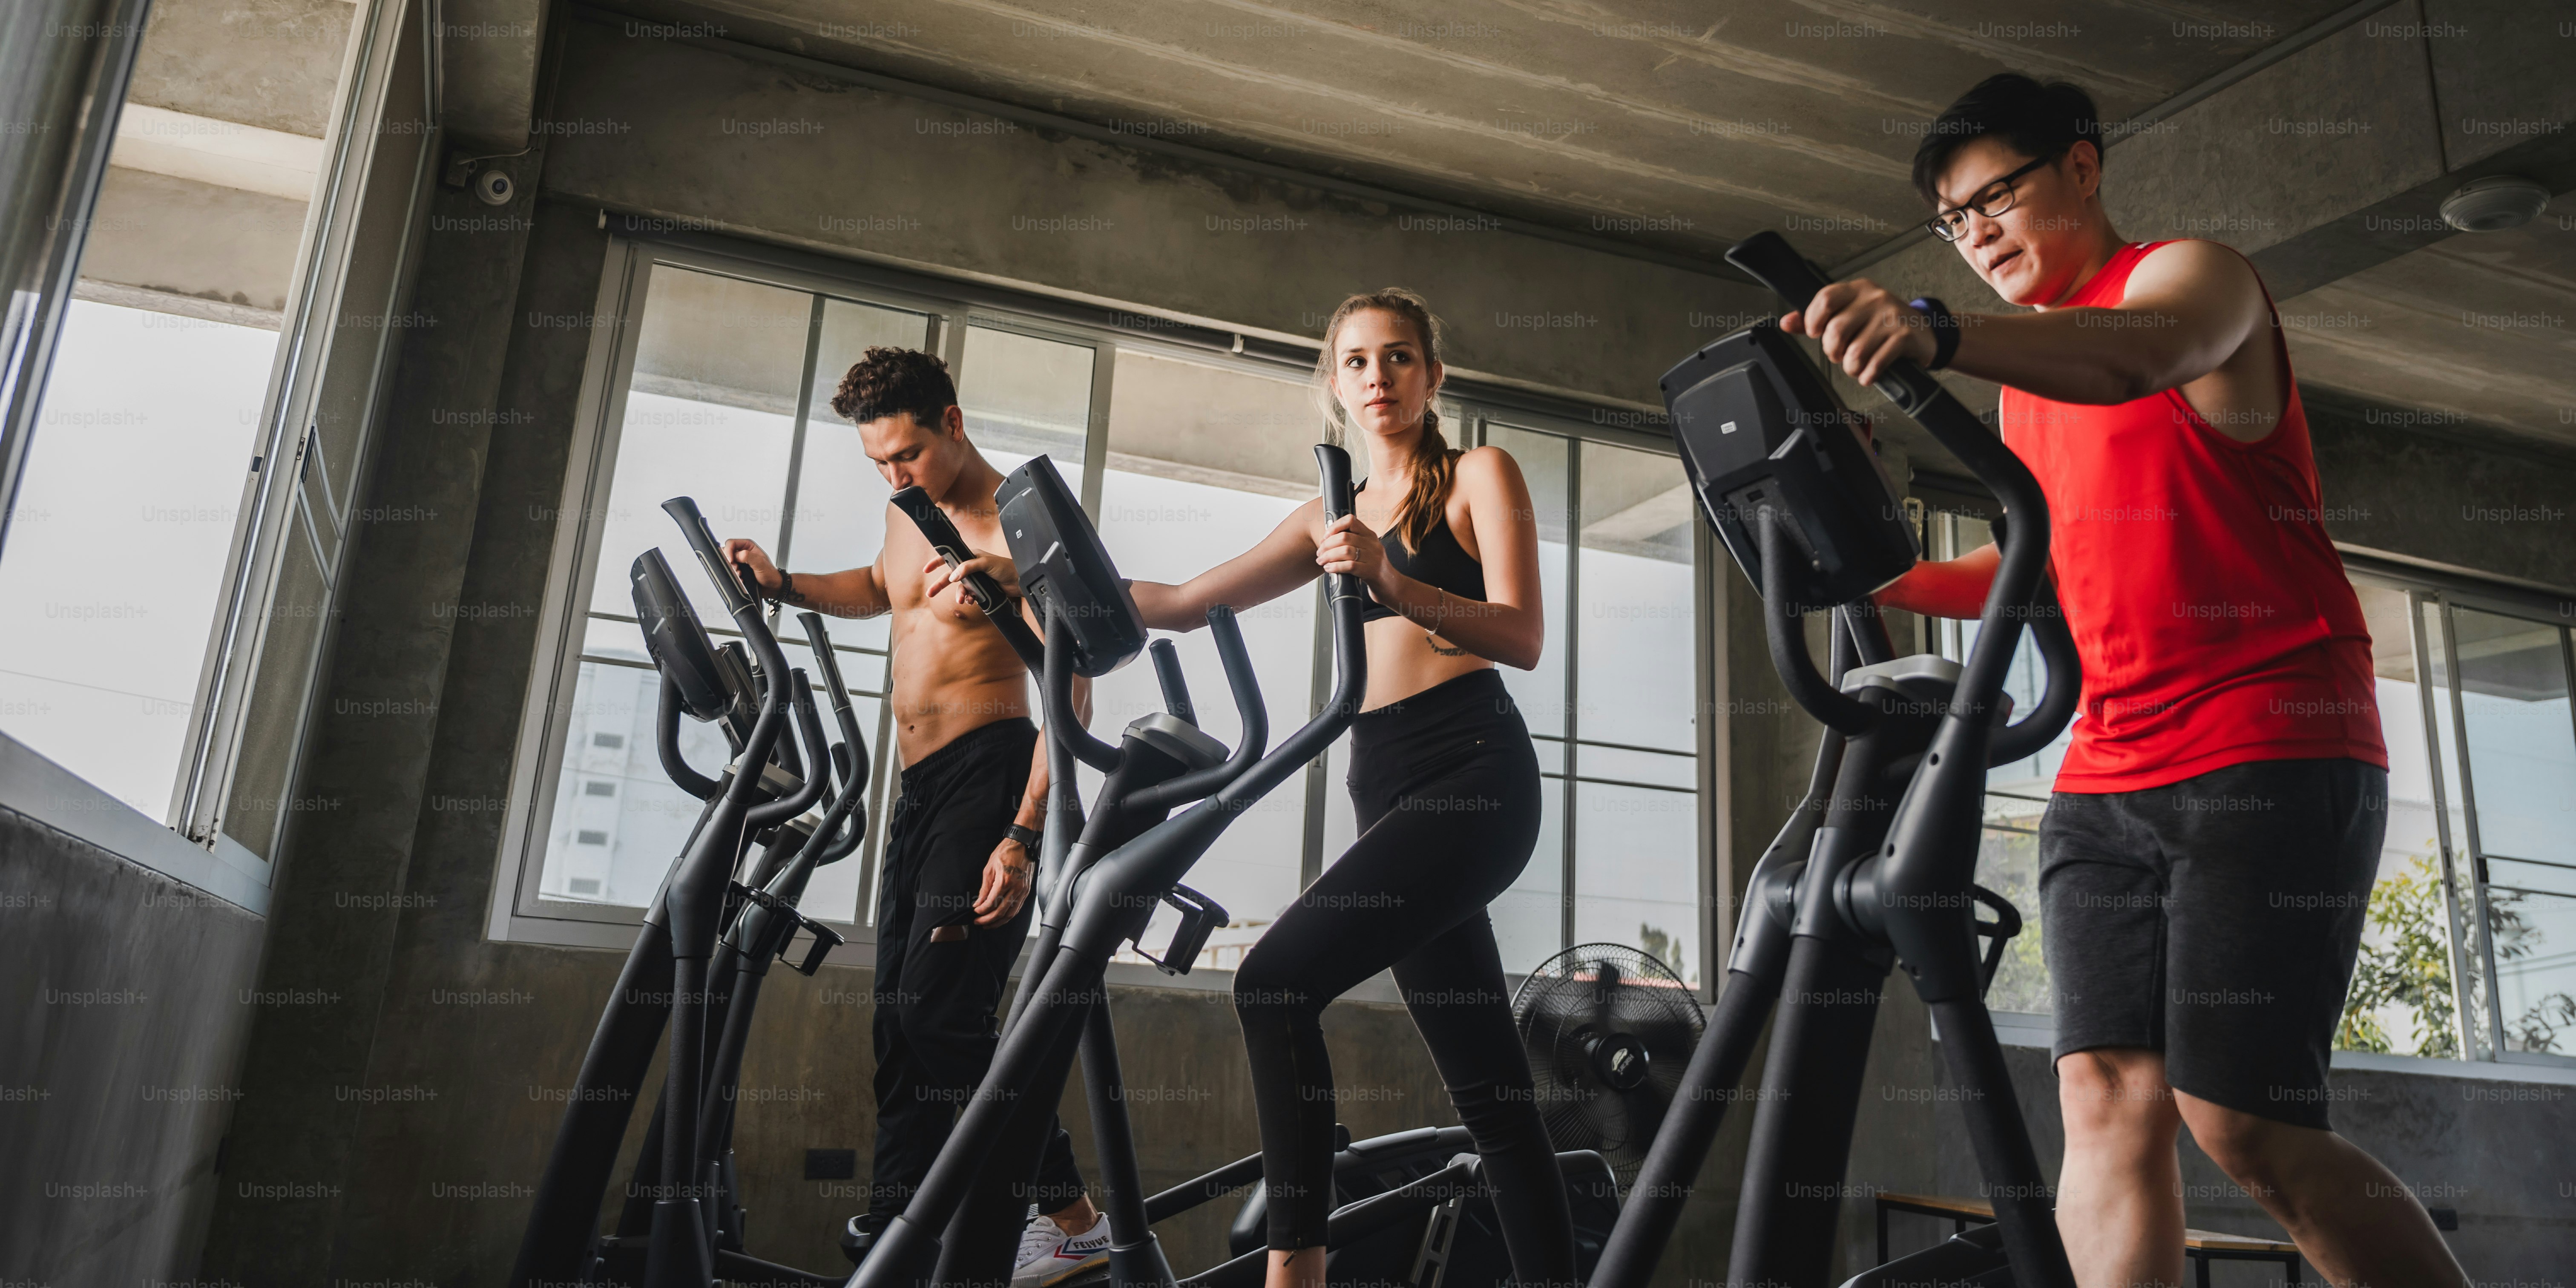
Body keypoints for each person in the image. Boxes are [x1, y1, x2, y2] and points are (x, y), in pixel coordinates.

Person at [1786, 74, 2470, 1288]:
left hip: (2270, 742)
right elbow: (2044, 564)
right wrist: (1882, 569)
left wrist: (1936, 328)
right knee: (2103, 1097)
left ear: (2084, 168)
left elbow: (2137, 358)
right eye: (1954, 220)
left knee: (2244, 1125)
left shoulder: (2192, 281)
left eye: (1996, 196)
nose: (1977, 232)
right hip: (2107, 772)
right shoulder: (2024, 389)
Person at [956, 288, 1571, 1288]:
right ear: (1335, 384)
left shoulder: (1477, 475)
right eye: (1357, 361)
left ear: (1433, 375)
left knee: (1274, 984)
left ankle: (1296, 1272)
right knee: (1495, 1102)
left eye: (1399, 357)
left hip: (1475, 772)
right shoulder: (1329, 514)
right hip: (1386, 787)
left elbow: (1523, 634)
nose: (1379, 377)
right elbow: (1183, 603)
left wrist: (1392, 580)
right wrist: (1022, 577)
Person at [720, 347, 1109, 1288]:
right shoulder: (908, 509)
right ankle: (902, 1225)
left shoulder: (1019, 525)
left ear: (954, 423)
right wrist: (783, 583)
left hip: (993, 774)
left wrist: (1024, 831)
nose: (894, 477)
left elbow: (1076, 687)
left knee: (942, 1016)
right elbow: (877, 586)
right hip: (920, 787)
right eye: (879, 463)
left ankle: (1075, 1221)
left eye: (908, 455)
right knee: (898, 1022)